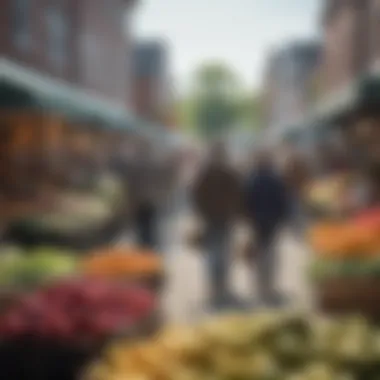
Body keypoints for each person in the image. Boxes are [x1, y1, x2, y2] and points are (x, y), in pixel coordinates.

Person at [192, 141, 242, 309]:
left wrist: (201, 212)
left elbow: (196, 195)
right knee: (222, 252)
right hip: (221, 218)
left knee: (215, 253)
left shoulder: (206, 174)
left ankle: (216, 287)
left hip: (214, 218)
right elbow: (238, 194)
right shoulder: (228, 173)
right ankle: (221, 287)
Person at [244, 151, 290, 306]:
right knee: (270, 252)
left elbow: (247, 201)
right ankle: (269, 285)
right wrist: (282, 217)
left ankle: (260, 285)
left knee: (260, 252)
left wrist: (247, 217)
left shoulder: (252, 180)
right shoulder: (275, 179)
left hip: (257, 221)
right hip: (271, 220)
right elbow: (282, 200)